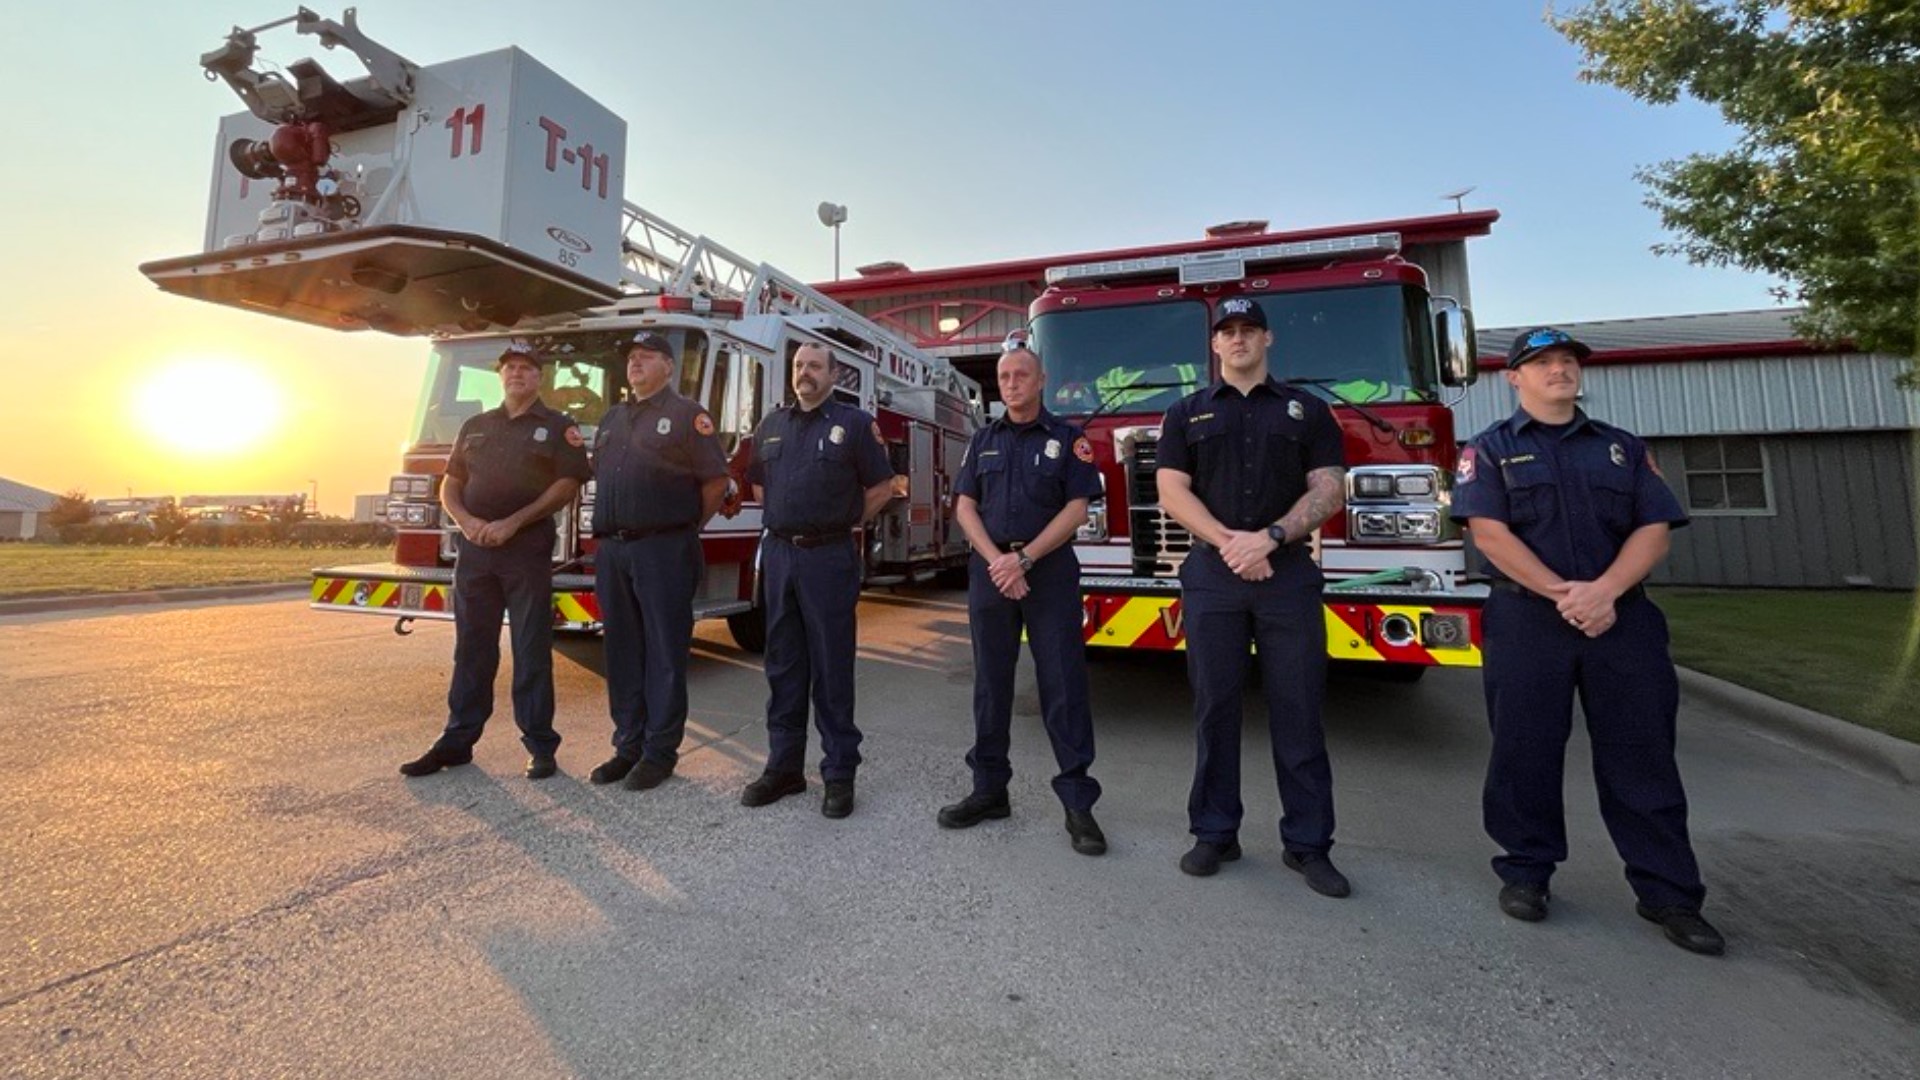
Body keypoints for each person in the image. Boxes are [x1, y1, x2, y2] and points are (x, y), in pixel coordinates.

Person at [1451, 326, 1725, 956]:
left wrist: (1602, 593)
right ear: (1513, 378)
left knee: (1642, 755)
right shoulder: (1488, 451)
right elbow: (1489, 535)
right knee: (1524, 751)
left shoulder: (1622, 450)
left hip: (1621, 621)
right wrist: (1562, 594)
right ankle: (1526, 872)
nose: (1559, 370)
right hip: (1528, 621)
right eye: (1542, 362)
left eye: (1567, 360)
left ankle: (1670, 894)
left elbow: (1654, 531)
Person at [1154, 296, 1352, 898]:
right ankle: (1215, 832)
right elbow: (1170, 489)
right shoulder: (1184, 413)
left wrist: (1269, 539)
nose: (1238, 340)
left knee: (1298, 710)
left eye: (1248, 330)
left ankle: (1309, 844)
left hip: (1287, 572)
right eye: (1227, 332)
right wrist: (1229, 544)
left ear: (1267, 340)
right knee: (1215, 708)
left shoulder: (1308, 411)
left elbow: (1329, 489)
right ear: (1215, 346)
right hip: (1213, 576)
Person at [939, 342, 1108, 856]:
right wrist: (998, 561)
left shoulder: (1067, 440)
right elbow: (965, 507)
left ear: (1041, 382)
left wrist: (1025, 560)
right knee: (991, 685)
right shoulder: (982, 440)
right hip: (992, 571)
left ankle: (1078, 805)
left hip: (1049, 573)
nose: (1011, 383)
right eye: (1004, 376)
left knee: (1063, 686)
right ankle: (990, 792)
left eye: (1021, 375)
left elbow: (1077, 510)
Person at [401, 340, 591, 780]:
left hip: (525, 552)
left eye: (526, 368)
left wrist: (513, 522)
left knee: (531, 650)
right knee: (471, 650)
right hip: (475, 553)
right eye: (509, 368)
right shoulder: (475, 426)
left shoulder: (559, 427)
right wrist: (466, 522)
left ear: (539, 377)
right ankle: (457, 740)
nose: (516, 374)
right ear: (500, 376)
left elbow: (567, 486)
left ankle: (541, 746)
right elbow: (451, 485)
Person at [738, 343, 894, 818]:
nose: (805, 373)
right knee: (783, 667)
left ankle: (839, 774)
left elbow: (882, 486)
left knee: (831, 670)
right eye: (799, 366)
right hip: (781, 556)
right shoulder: (772, 426)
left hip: (828, 557)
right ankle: (784, 769)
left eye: (814, 367)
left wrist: (842, 523)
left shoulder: (853, 424)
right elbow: (760, 484)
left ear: (833, 375)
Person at [587, 332, 730, 792]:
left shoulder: (688, 416)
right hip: (614, 550)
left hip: (664, 549)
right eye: (631, 357)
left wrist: (685, 529)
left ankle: (659, 753)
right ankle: (627, 747)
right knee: (622, 651)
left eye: (646, 357)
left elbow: (715, 482)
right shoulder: (612, 418)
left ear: (669, 367)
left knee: (665, 653)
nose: (636, 364)